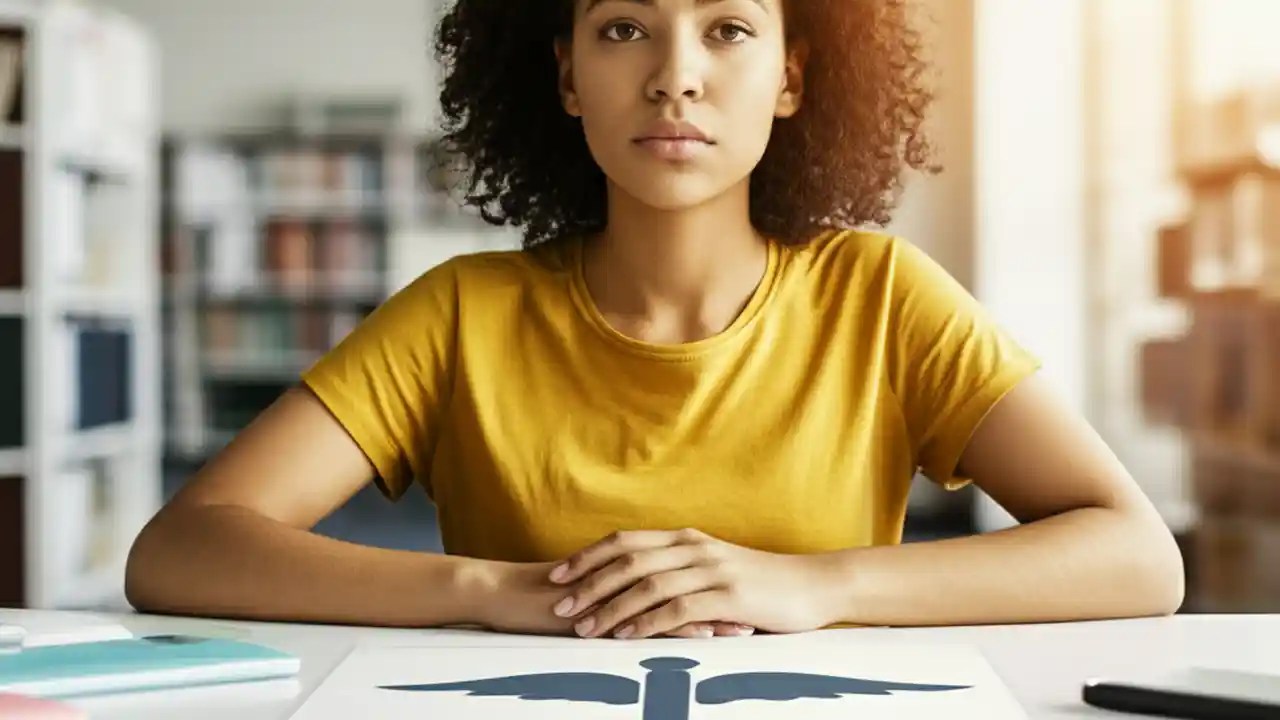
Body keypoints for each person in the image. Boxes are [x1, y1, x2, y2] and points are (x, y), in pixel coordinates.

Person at [125, 0, 1185, 640]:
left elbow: (1138, 558)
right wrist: (489, 591)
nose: (673, 78)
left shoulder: (882, 297)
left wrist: (812, 587)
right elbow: (182, 549)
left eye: (726, 29)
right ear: (566, 76)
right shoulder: (461, 313)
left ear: (790, 76)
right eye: (623, 28)